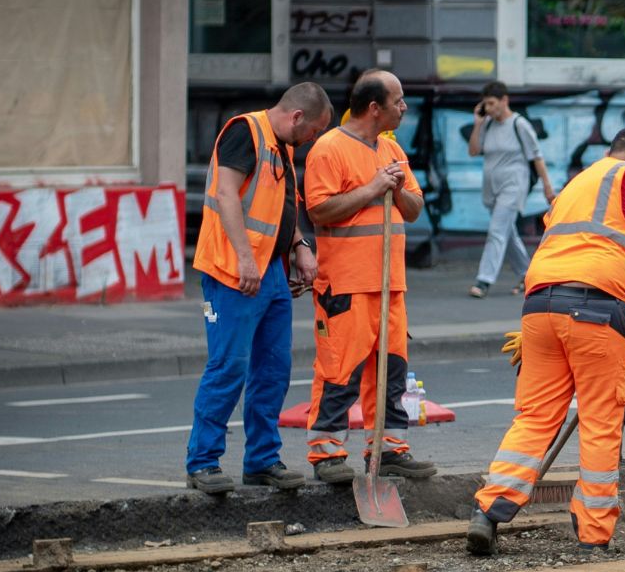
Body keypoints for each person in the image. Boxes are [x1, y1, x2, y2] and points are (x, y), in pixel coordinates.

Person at [468, 127, 625, 555]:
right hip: (598, 308)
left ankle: (488, 511)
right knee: (601, 421)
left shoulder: (575, 185)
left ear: (609, 151)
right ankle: (593, 534)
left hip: (540, 305)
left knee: (535, 417)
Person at [184, 84, 334, 495]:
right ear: (297, 117)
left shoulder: (280, 146)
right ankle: (202, 462)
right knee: (228, 365)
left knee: (273, 369)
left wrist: (300, 246)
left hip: (270, 270)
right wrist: (245, 258)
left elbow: (282, 206)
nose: (313, 140)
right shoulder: (245, 132)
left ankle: (262, 460)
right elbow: (225, 194)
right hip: (233, 271)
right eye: (314, 131)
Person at [302, 70, 437, 484]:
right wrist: (373, 187)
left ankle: (389, 449)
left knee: (391, 371)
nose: (405, 107)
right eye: (399, 101)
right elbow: (319, 210)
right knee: (340, 371)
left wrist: (396, 188)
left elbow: (414, 208)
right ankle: (326, 454)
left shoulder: (391, 149)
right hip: (346, 284)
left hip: (390, 284)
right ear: (375, 108)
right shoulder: (329, 149)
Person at [466, 81, 558, 299]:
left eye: (492, 103)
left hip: (514, 185)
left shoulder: (519, 124)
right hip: (492, 187)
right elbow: (473, 151)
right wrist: (478, 124)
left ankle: (484, 280)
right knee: (507, 231)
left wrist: (547, 186)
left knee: (497, 230)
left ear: (504, 100)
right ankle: (527, 275)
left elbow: (537, 157)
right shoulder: (487, 124)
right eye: (486, 104)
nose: (489, 108)